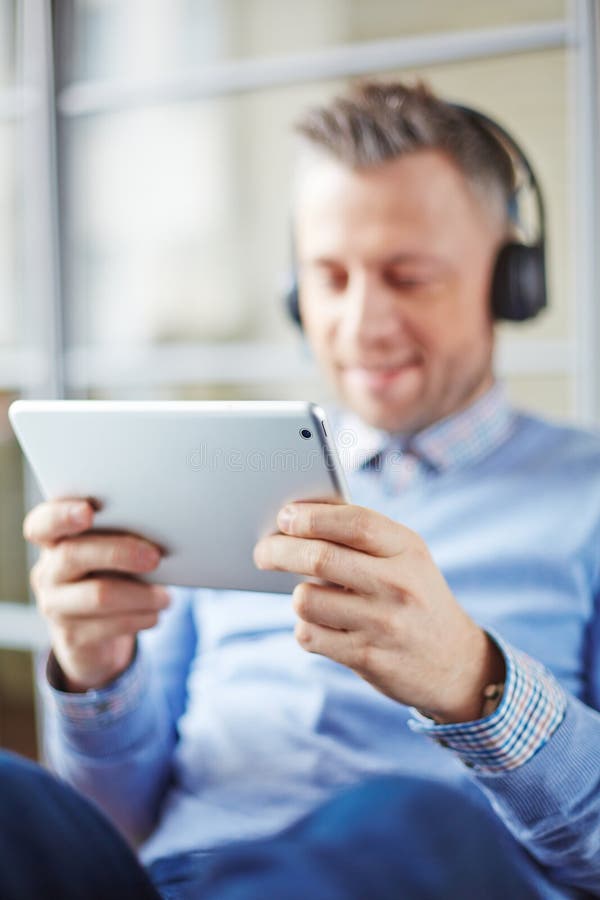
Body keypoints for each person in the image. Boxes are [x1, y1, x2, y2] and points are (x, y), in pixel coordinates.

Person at [18, 81, 600, 898]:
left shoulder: (587, 496)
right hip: (183, 877)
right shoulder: (220, 469)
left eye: (408, 276)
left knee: (405, 816)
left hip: (420, 865)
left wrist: (474, 680)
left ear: (509, 283)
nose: (361, 323)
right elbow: (116, 821)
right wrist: (96, 675)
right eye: (329, 276)